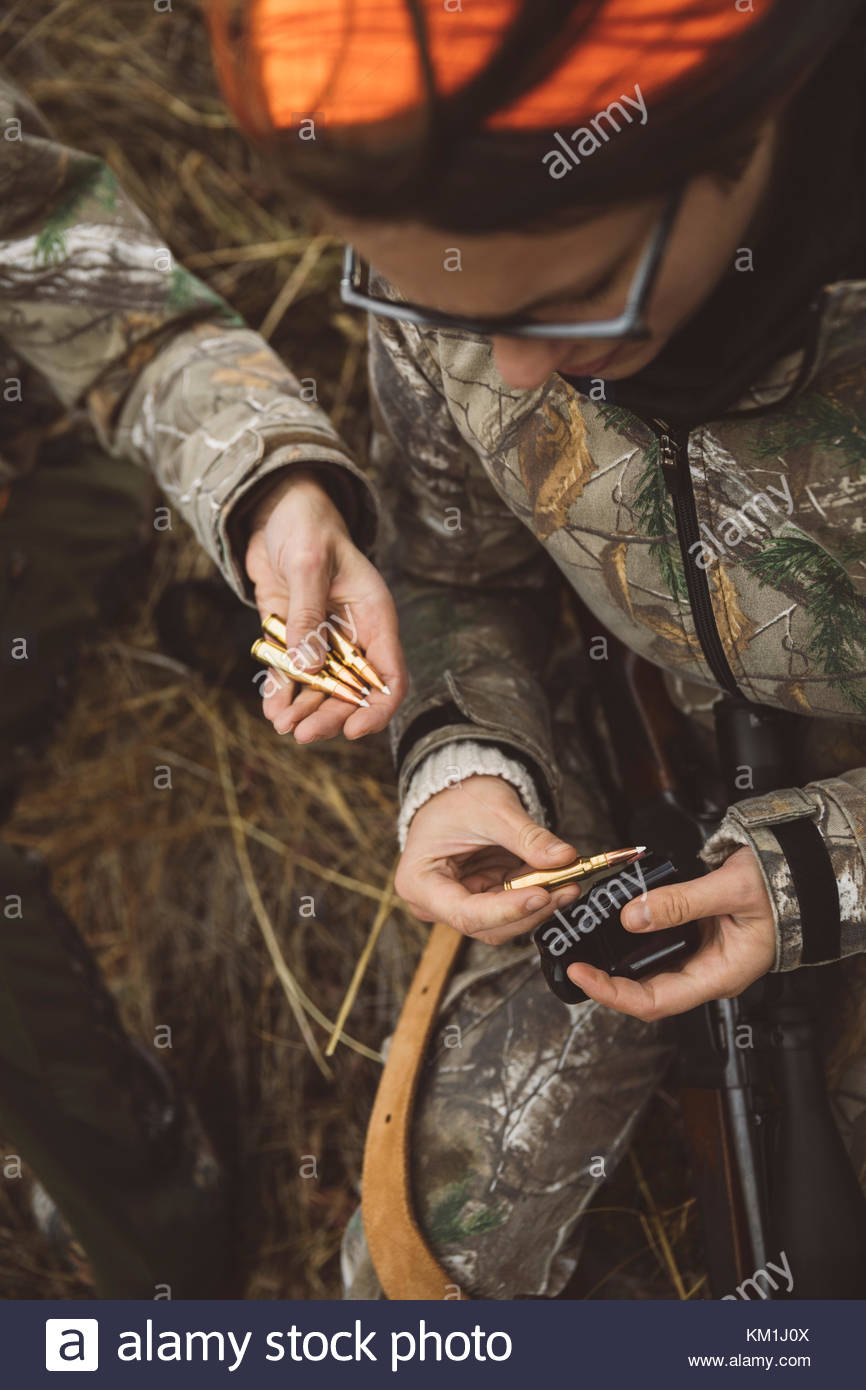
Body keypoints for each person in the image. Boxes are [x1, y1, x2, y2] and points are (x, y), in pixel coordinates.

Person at [208, 0, 866, 1297]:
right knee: (410, 1279)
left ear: (748, 126)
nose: (510, 372)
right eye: (443, 305)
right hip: (649, 793)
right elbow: (460, 569)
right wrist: (462, 758)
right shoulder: (447, 234)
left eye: (569, 300)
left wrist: (816, 868)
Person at [0, 68, 406, 1295]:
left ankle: (166, 1240)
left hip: (46, 501)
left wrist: (271, 490)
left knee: (98, 512)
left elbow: (126, 311)